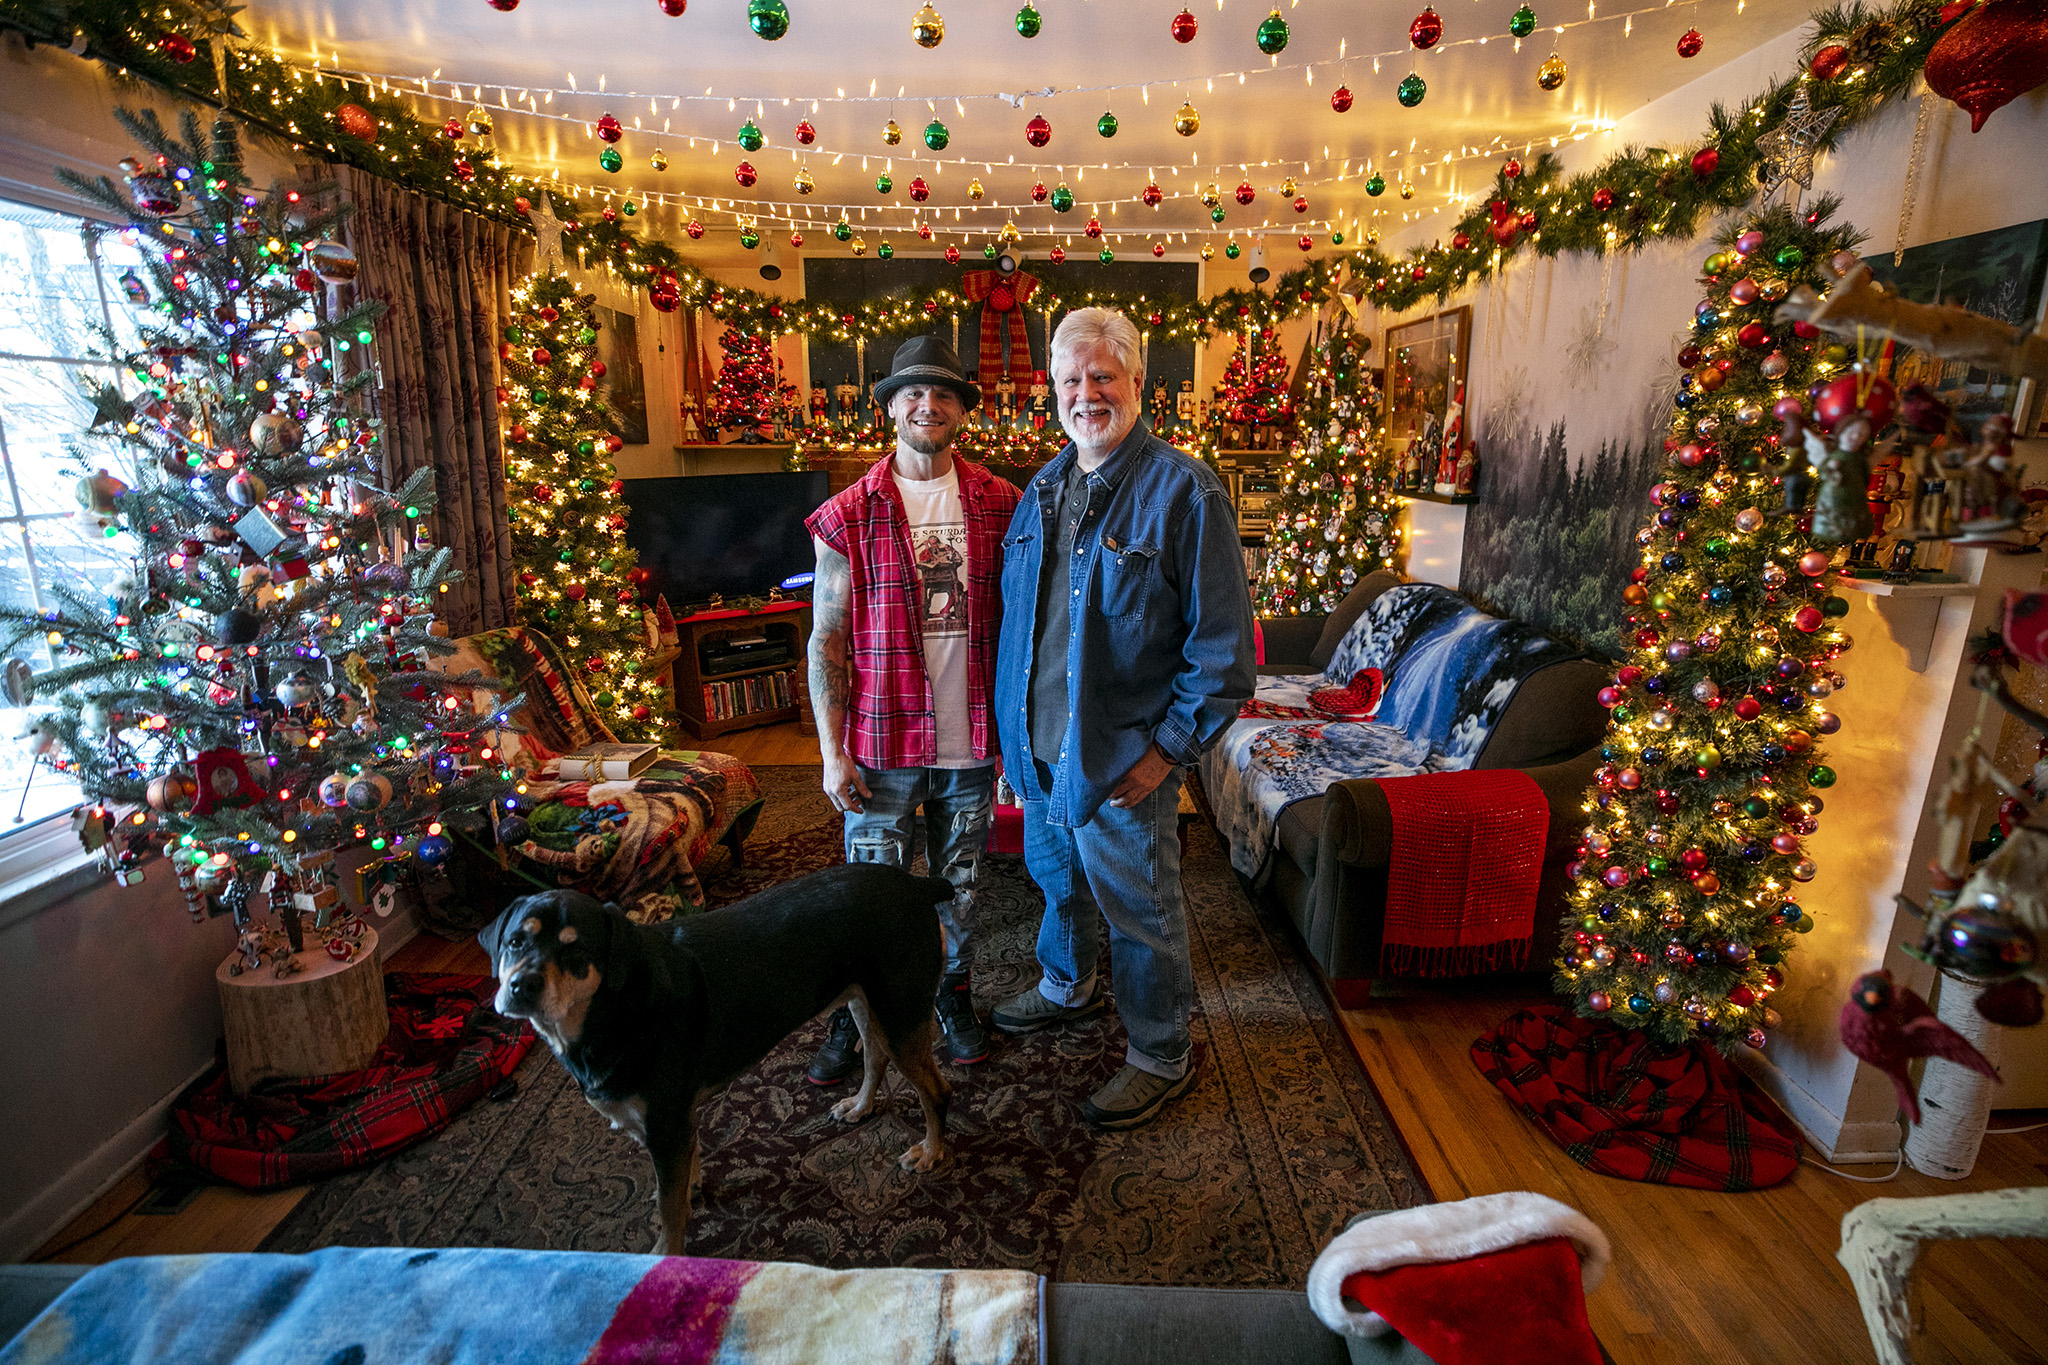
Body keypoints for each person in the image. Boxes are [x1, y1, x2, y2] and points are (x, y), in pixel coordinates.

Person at [991, 308, 1255, 1129]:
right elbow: (1020, 623)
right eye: (1071, 380)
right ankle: (1066, 984)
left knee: (1141, 913)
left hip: (1120, 762)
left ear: (1139, 382)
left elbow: (1223, 652)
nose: (1086, 394)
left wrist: (1165, 753)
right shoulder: (1040, 491)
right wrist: (1011, 742)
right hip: (1039, 753)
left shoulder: (1187, 492)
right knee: (1057, 884)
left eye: (1102, 376)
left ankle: (1161, 1054)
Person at [804, 335, 1023, 1079]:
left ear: (961, 409)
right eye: (913, 392)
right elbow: (827, 638)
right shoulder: (847, 514)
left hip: (972, 745)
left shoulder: (1002, 504)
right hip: (880, 741)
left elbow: (1026, 626)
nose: (929, 404)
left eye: (944, 393)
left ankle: (951, 994)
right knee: (869, 895)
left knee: (959, 887)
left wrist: (1016, 745)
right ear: (891, 406)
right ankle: (855, 1011)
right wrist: (831, 752)